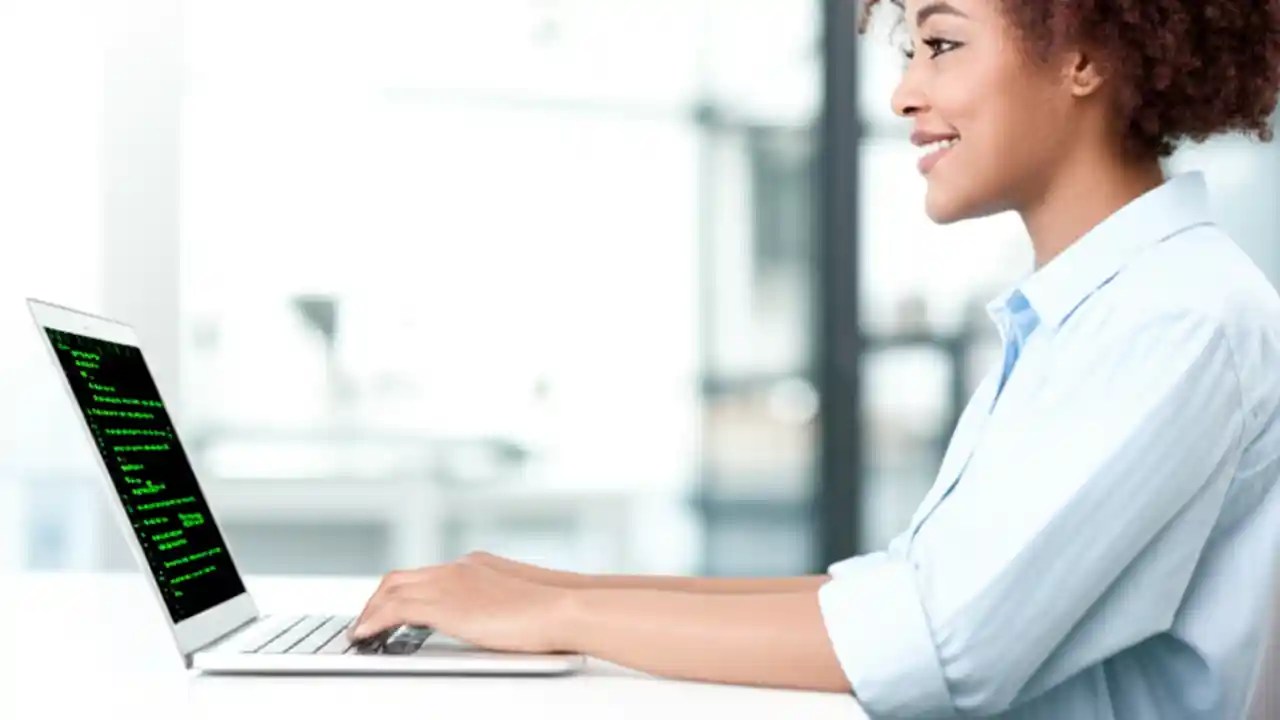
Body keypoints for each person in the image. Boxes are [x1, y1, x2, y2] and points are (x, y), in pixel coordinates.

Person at [349, 0, 1280, 716]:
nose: (904, 93)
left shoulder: (1178, 317)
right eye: (909, 49)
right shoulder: (1095, 311)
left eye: (942, 44)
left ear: (1084, 56)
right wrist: (555, 588)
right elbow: (902, 592)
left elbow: (937, 645)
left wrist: (557, 620)